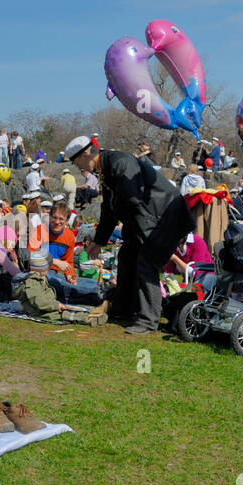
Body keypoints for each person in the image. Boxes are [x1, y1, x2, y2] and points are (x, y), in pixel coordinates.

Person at [68, 135, 193, 335]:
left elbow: (133, 199)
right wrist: (99, 241)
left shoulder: (120, 162)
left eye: (77, 163)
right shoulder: (105, 169)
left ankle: (148, 320)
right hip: (148, 218)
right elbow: (109, 209)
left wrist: (146, 238)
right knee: (127, 256)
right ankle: (124, 308)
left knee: (147, 261)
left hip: (164, 216)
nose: (78, 168)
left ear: (85, 155)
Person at [18, 247, 102, 325]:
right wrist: (55, 305)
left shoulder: (39, 279)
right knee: (63, 314)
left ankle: (92, 311)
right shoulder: (32, 283)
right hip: (38, 310)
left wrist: (54, 304)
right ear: (42, 269)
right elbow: (39, 301)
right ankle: (88, 319)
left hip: (48, 305)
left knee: (68, 308)